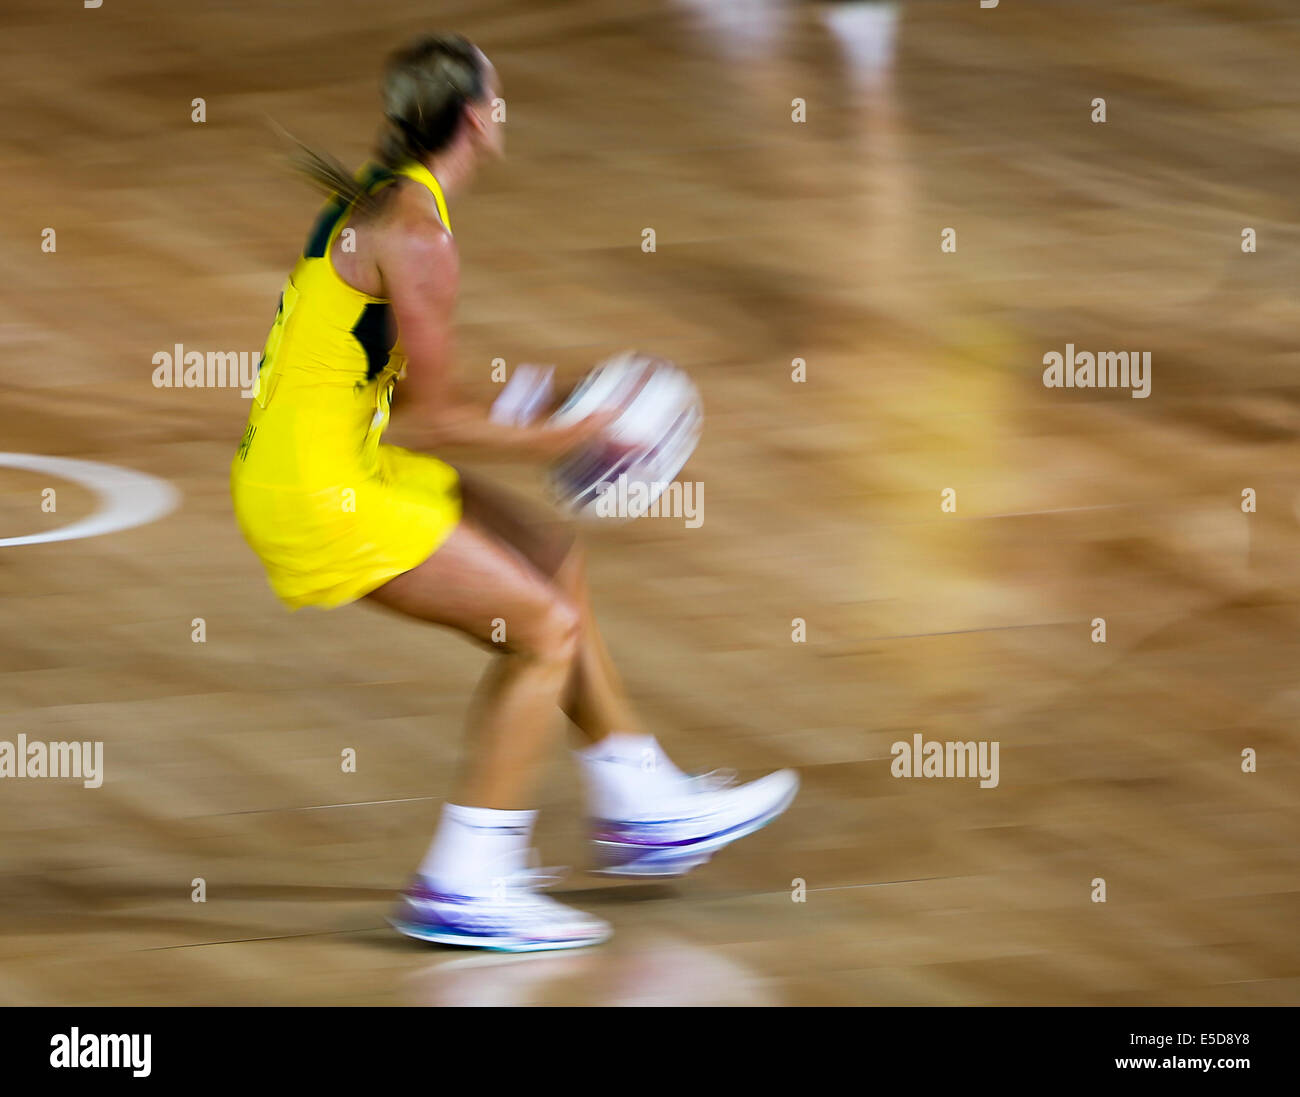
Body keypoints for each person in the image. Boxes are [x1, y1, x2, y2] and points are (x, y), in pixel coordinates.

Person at [231, 33, 798, 952]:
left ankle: (641, 799)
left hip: (326, 459)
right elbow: (432, 420)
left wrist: (554, 402)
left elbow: (414, 393)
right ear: (471, 119)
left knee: (550, 558)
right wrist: (573, 432)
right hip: (321, 489)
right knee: (541, 631)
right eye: (496, 99)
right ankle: (465, 882)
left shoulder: (380, 203)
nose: (503, 113)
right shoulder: (417, 235)